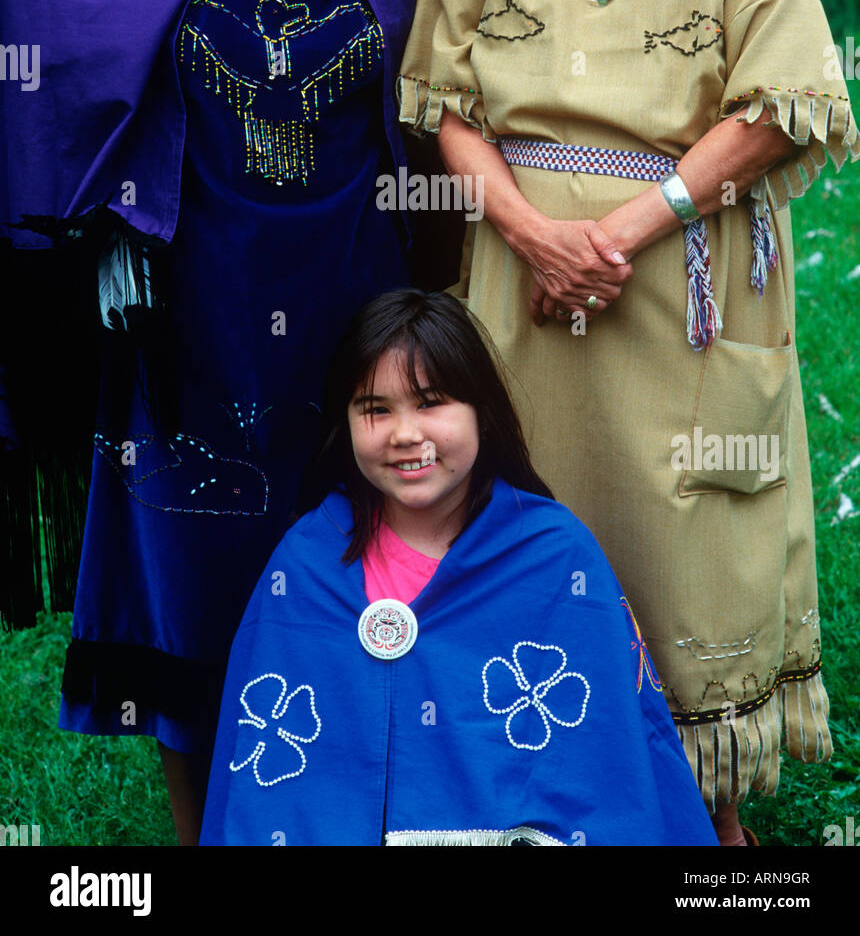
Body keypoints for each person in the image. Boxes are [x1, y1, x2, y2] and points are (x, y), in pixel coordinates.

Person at [397, 0, 859, 845]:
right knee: (524, 535)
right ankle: (541, 818)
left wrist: (622, 229)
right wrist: (534, 235)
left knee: (678, 547)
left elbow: (780, 102)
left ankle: (707, 839)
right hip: (518, 288)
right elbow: (443, 108)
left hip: (680, 290)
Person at [0, 0, 453, 845]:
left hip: (359, 294)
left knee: (360, 562)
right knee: (200, 572)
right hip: (189, 298)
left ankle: (354, 824)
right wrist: (107, 193)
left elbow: (478, 91)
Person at [200, 288, 718, 846]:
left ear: (482, 412)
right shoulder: (307, 562)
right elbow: (265, 769)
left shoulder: (554, 555)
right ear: (344, 422)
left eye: (431, 402)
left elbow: (608, 752)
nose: (405, 434)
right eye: (375, 409)